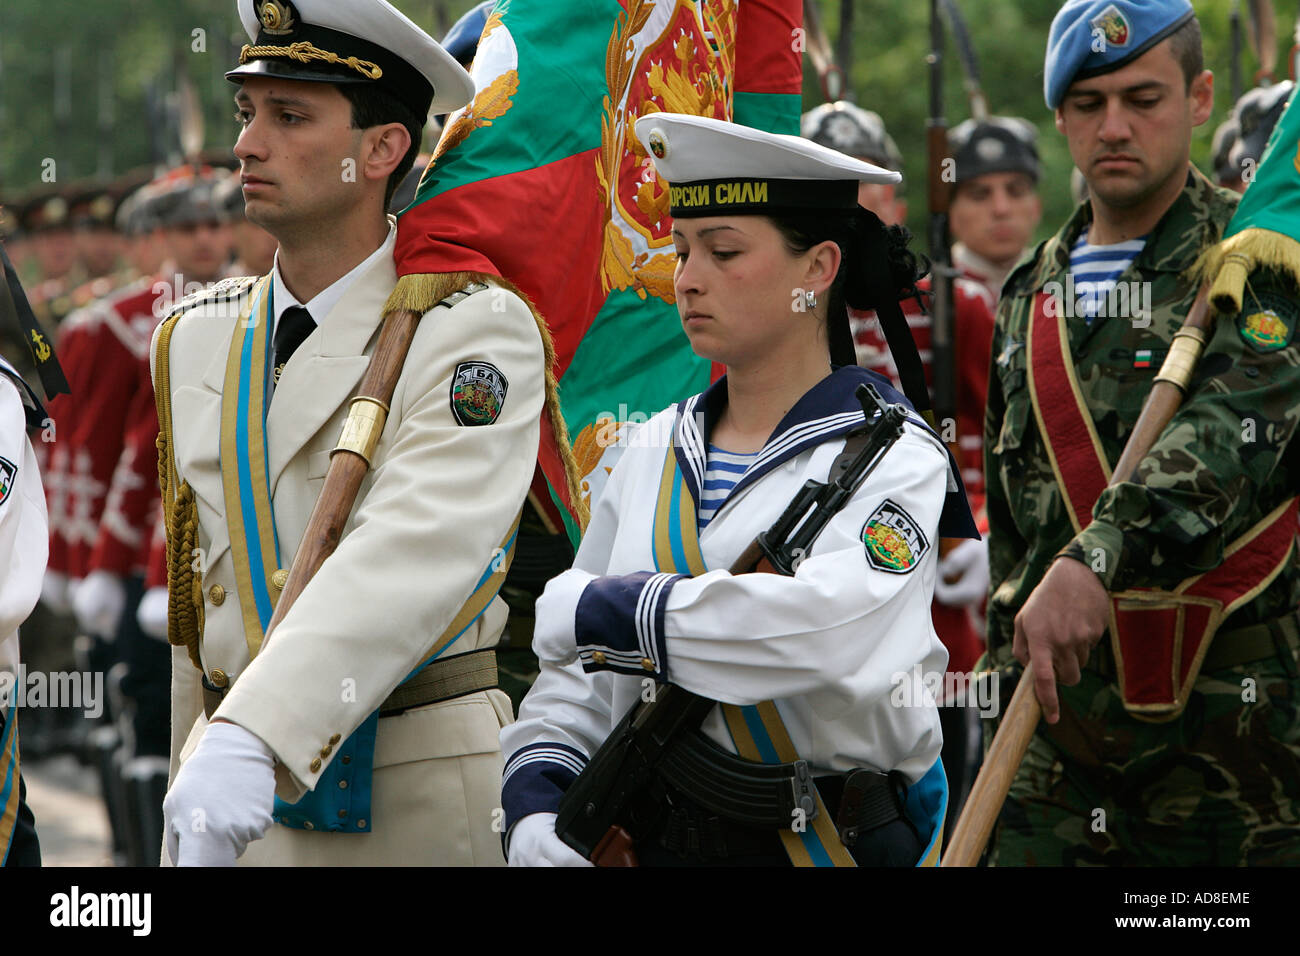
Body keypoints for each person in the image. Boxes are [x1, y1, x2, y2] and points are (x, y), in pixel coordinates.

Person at [501, 111, 977, 867]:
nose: (687, 278)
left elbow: (823, 632)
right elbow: (575, 681)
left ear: (818, 269)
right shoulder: (649, 446)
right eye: (683, 249)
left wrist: (613, 610)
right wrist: (535, 804)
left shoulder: (897, 455)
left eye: (724, 251)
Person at [158, 0, 545, 867]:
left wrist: (256, 732)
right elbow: (199, 617)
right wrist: (196, 775)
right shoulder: (195, 336)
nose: (248, 145)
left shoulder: (473, 332)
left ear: (382, 150)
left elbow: (413, 549)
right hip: (231, 795)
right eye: (247, 113)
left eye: (290, 116)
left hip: (410, 804)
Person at [984, 0, 1300, 866]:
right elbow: (1013, 536)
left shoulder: (1259, 256)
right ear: (1059, 117)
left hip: (1233, 752)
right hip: (1052, 752)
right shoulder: (1025, 294)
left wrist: (1099, 555)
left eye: (1143, 98)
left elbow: (1235, 433)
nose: (1114, 126)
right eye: (1089, 104)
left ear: (1200, 99)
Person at [946, 117, 1043, 303]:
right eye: (979, 195)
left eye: (1016, 191)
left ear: (1036, 206)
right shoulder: (927, 300)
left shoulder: (1063, 288)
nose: (1001, 209)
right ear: (951, 213)